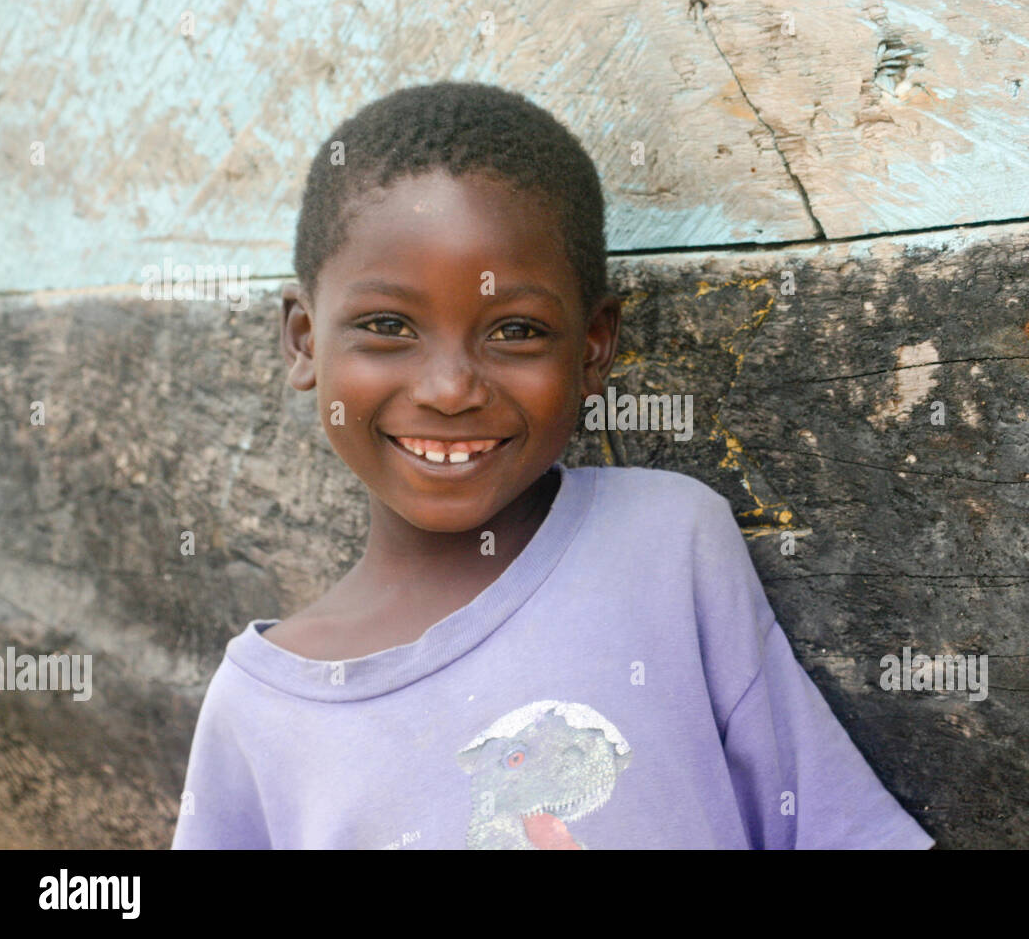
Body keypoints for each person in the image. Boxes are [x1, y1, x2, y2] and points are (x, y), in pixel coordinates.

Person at [170, 82, 935, 850]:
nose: (450, 389)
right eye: (388, 325)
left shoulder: (665, 544)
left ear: (594, 345)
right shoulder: (261, 714)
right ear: (305, 340)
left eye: (515, 330)